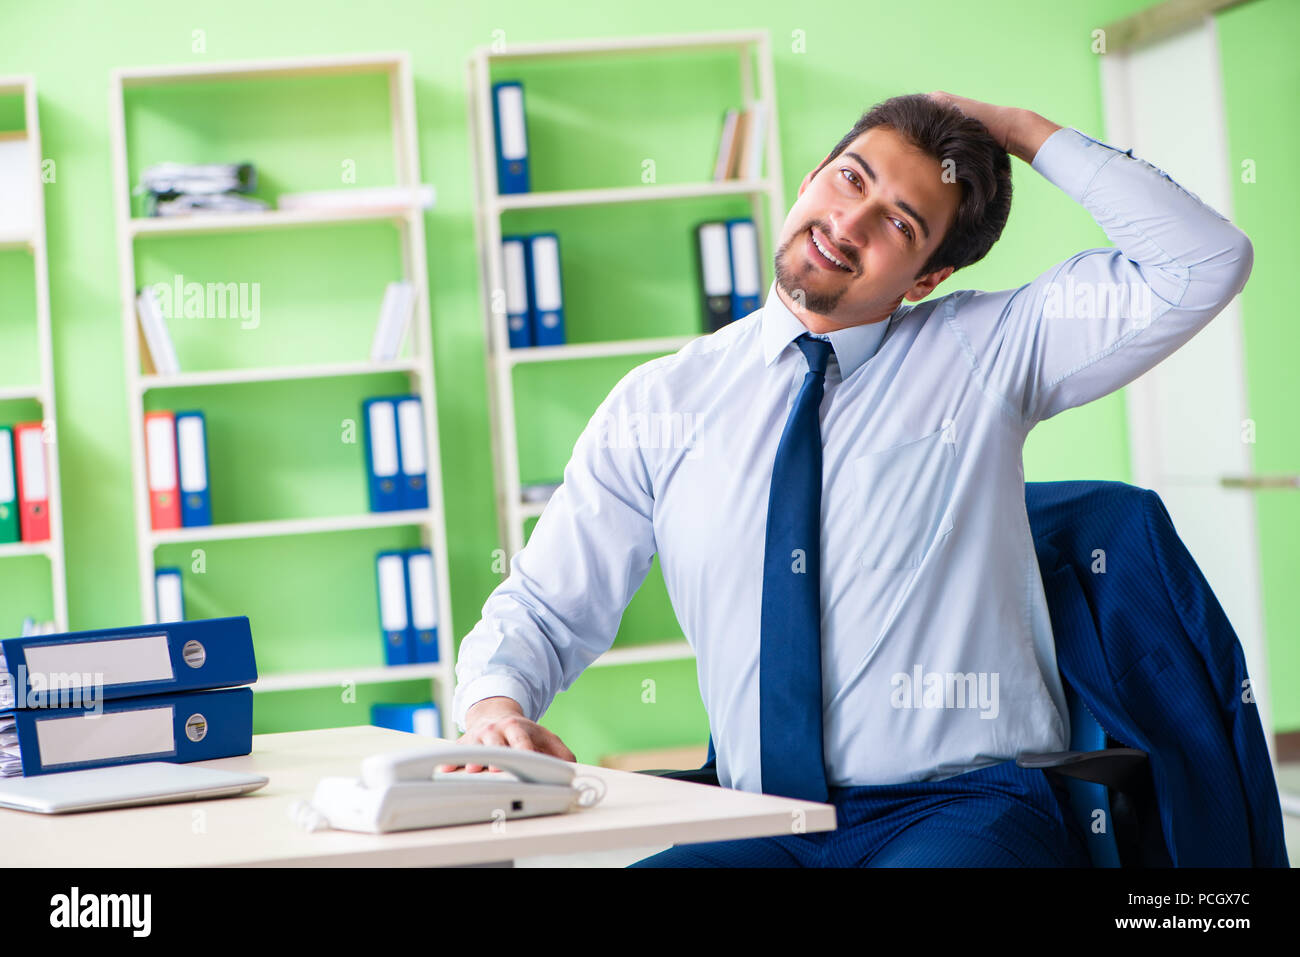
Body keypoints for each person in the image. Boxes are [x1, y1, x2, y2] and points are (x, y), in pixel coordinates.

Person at [444, 91, 1254, 866]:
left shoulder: (983, 353)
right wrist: (495, 703)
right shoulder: (661, 402)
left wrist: (1020, 128)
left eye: (900, 223)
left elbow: (1203, 260)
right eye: (850, 178)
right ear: (810, 178)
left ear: (926, 278)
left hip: (964, 804)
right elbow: (549, 605)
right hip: (759, 815)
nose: (849, 223)